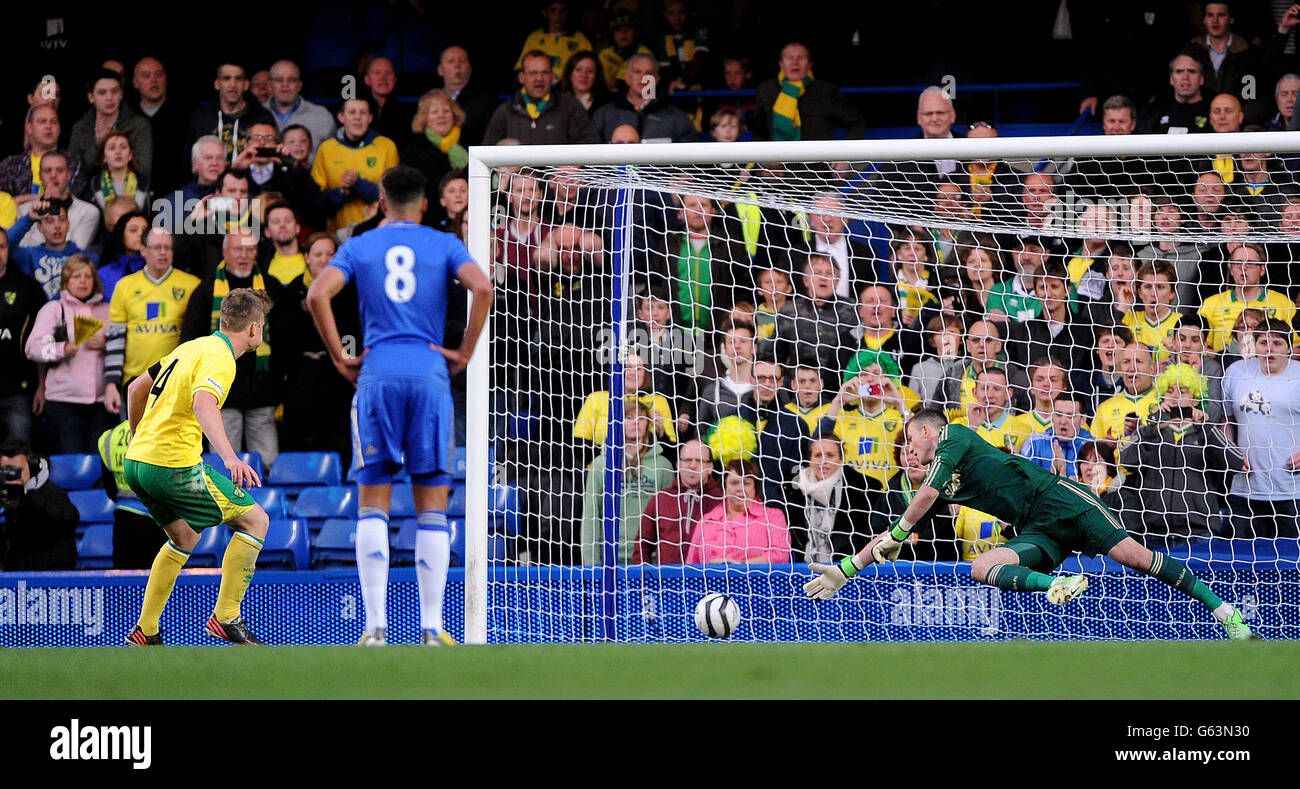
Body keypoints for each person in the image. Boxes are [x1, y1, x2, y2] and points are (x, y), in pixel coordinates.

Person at [802, 408, 1259, 641]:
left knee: (1137, 558)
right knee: (982, 568)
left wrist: (900, 532)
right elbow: (895, 531)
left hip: (1062, 500)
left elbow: (917, 506)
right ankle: (1054, 584)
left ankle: (1228, 615)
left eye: (910, 443)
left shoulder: (954, 437)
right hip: (1035, 526)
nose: (908, 453)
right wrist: (847, 568)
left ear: (927, 432)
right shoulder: (926, 485)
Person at [306, 165, 494, 647]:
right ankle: (431, 628)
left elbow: (316, 294)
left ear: (382, 200)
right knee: (432, 503)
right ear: (426, 203)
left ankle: (375, 629)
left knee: (375, 499)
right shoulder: (445, 243)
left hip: (378, 371)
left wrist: (337, 354)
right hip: (430, 373)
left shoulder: (359, 246)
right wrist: (466, 352)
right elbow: (484, 289)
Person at [121, 288, 273, 645]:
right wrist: (230, 457)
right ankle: (226, 616)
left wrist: (138, 434)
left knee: (184, 536)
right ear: (252, 329)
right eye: (262, 325)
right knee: (256, 521)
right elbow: (205, 403)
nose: (261, 332)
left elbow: (134, 389)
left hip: (137, 463)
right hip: (172, 466)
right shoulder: (221, 357)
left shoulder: (190, 347)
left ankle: (146, 629)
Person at [180, 229, 286, 468]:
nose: (244, 255)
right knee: (222, 466)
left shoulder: (271, 287)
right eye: (238, 249)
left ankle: (266, 504)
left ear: (257, 253)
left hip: (263, 392)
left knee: (269, 463)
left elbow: (284, 339)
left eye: (250, 250)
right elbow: (192, 340)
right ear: (225, 252)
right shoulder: (206, 290)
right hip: (221, 394)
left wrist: (279, 382)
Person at [1118, 363, 1246, 549]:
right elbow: (1126, 461)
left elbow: (1235, 462)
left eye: (1183, 391)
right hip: (1153, 534)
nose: (1175, 396)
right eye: (1170, 390)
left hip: (1199, 533)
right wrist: (1153, 427)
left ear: (1195, 399)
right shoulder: (1151, 431)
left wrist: (1205, 427)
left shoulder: (1206, 432)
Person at [105, 228, 201, 421]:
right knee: (138, 448)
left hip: (176, 383)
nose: (163, 253)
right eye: (156, 247)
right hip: (136, 382)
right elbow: (115, 339)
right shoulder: (125, 286)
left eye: (167, 247)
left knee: (174, 447)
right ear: (143, 250)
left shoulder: (192, 285)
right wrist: (111, 384)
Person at [24, 255, 113, 454]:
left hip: (100, 402)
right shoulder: (54, 309)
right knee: (70, 459)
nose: (83, 281)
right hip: (64, 401)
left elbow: (122, 348)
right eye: (76, 276)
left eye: (87, 276)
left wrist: (106, 344)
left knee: (99, 462)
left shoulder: (107, 311)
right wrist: (61, 349)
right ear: (66, 282)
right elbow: (32, 348)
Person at [1222, 318, 1300, 539]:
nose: (1270, 349)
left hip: (1293, 490)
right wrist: (1230, 453)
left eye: (1277, 343)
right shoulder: (1236, 372)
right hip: (1245, 489)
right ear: (1254, 345)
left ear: (1289, 347)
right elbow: (1226, 421)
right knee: (1244, 563)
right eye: (1263, 342)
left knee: (1293, 564)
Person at [579, 399, 676, 565]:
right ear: (617, 422)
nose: (636, 423)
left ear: (648, 423)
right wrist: (591, 565)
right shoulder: (601, 465)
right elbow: (591, 517)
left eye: (641, 418)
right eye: (629, 418)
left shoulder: (663, 466)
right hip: (609, 562)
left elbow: (668, 521)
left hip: (650, 563)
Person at [311, 92, 400, 235]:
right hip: (338, 237)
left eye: (363, 113)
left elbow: (393, 198)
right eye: (352, 112)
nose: (357, 117)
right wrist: (342, 192)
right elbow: (317, 201)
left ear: (370, 118)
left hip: (378, 234)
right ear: (341, 117)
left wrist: (357, 184)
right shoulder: (326, 149)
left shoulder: (386, 147)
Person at [786, 434, 880, 565]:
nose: (823, 461)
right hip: (804, 569)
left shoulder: (863, 491)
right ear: (810, 460)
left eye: (830, 455)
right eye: (818, 455)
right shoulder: (792, 490)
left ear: (841, 460)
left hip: (848, 570)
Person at [483, 49, 600, 146]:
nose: (539, 78)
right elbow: (486, 150)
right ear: (522, 77)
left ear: (552, 76)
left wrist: (573, 166)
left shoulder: (571, 106)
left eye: (545, 72)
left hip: (561, 174)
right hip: (518, 174)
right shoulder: (505, 111)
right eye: (533, 73)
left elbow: (588, 144)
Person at [633, 438, 722, 565]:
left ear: (710, 467)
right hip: (666, 581)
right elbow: (642, 547)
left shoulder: (721, 501)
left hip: (709, 581)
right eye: (687, 460)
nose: (692, 465)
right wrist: (647, 580)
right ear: (678, 464)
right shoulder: (661, 499)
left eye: (699, 461)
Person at [752, 41, 863, 142]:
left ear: (809, 64)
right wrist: (764, 157)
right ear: (781, 64)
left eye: (801, 57)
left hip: (819, 162)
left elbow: (856, 123)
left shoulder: (827, 91)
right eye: (789, 57)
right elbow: (758, 130)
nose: (795, 62)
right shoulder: (766, 90)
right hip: (776, 160)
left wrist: (845, 157)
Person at [685, 460, 791, 565]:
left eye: (746, 483)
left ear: (755, 487)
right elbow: (691, 565)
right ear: (724, 487)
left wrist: (740, 566)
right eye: (734, 483)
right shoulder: (706, 521)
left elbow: (781, 555)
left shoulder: (773, 517)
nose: (740, 489)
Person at [0, 439, 78, 571]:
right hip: (17, 576)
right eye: (6, 471)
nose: (12, 476)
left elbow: (70, 521)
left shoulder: (51, 492)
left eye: (18, 470)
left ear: (32, 467)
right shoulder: (3, 493)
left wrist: (29, 496)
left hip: (51, 575)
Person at [68, 69, 153, 181]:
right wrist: (99, 147)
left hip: (129, 193)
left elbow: (144, 170)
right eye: (102, 92)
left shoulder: (138, 125)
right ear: (91, 97)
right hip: (89, 195)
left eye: (114, 91)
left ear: (121, 94)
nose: (109, 98)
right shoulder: (80, 128)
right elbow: (72, 173)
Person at [0, 233, 46, 443]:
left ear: (8, 249)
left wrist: (42, 385)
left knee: (19, 455)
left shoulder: (28, 287)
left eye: (1, 247)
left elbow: (42, 338)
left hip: (19, 389)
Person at [591, 54, 698, 143]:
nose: (643, 78)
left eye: (649, 73)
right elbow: (592, 158)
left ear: (656, 80)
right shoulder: (603, 115)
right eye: (637, 72)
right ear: (627, 78)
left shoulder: (676, 117)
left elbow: (690, 161)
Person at [185, 63, 276, 164]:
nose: (233, 85)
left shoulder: (261, 115)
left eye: (238, 79)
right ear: (217, 84)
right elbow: (189, 161)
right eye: (226, 78)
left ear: (246, 85)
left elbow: (270, 160)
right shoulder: (201, 117)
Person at [7, 199, 96, 301]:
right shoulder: (29, 255)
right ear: (40, 227)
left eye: (62, 219)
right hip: (37, 314)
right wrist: (29, 219)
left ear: (68, 224)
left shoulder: (86, 259)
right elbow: (4, 245)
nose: (57, 226)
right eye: (50, 221)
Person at [131, 56, 190, 198]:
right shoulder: (128, 117)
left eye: (159, 74)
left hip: (176, 196)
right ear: (135, 82)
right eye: (146, 75)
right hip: (136, 196)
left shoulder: (185, 115)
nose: (153, 80)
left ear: (166, 79)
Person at [401, 90, 468, 211]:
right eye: (434, 112)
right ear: (424, 118)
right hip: (430, 215)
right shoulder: (413, 150)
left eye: (446, 111)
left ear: (454, 115)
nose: (441, 116)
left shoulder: (467, 145)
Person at [263, 60, 335, 159]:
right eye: (279, 80)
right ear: (270, 85)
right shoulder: (255, 113)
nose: (285, 84)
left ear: (300, 85)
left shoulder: (322, 116)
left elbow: (333, 159)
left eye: (291, 80)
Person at [1019, 392, 1096, 480]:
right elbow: (1023, 480)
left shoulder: (1094, 447)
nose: (1063, 421)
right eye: (1058, 414)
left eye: (1070, 416)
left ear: (1083, 419)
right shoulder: (1034, 443)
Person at [514, 0, 593, 81]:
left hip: (568, 90)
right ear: (545, 13)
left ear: (568, 12)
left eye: (563, 10)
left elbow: (589, 69)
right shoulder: (535, 37)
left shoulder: (580, 39)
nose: (558, 15)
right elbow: (520, 69)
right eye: (553, 10)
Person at [1138, 54, 1210, 134]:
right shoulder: (1155, 111)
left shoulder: (1215, 110)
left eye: (1191, 71)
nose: (1185, 77)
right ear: (1171, 79)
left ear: (1202, 79)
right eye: (1179, 71)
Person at [90, 131, 149, 217]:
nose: (118, 151)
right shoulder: (96, 184)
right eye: (112, 148)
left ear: (130, 155)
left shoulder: (143, 183)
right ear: (104, 158)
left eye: (123, 147)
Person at [559, 50, 612, 117]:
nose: (584, 75)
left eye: (590, 71)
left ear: (596, 77)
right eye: (578, 70)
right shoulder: (555, 98)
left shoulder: (607, 104)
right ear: (570, 74)